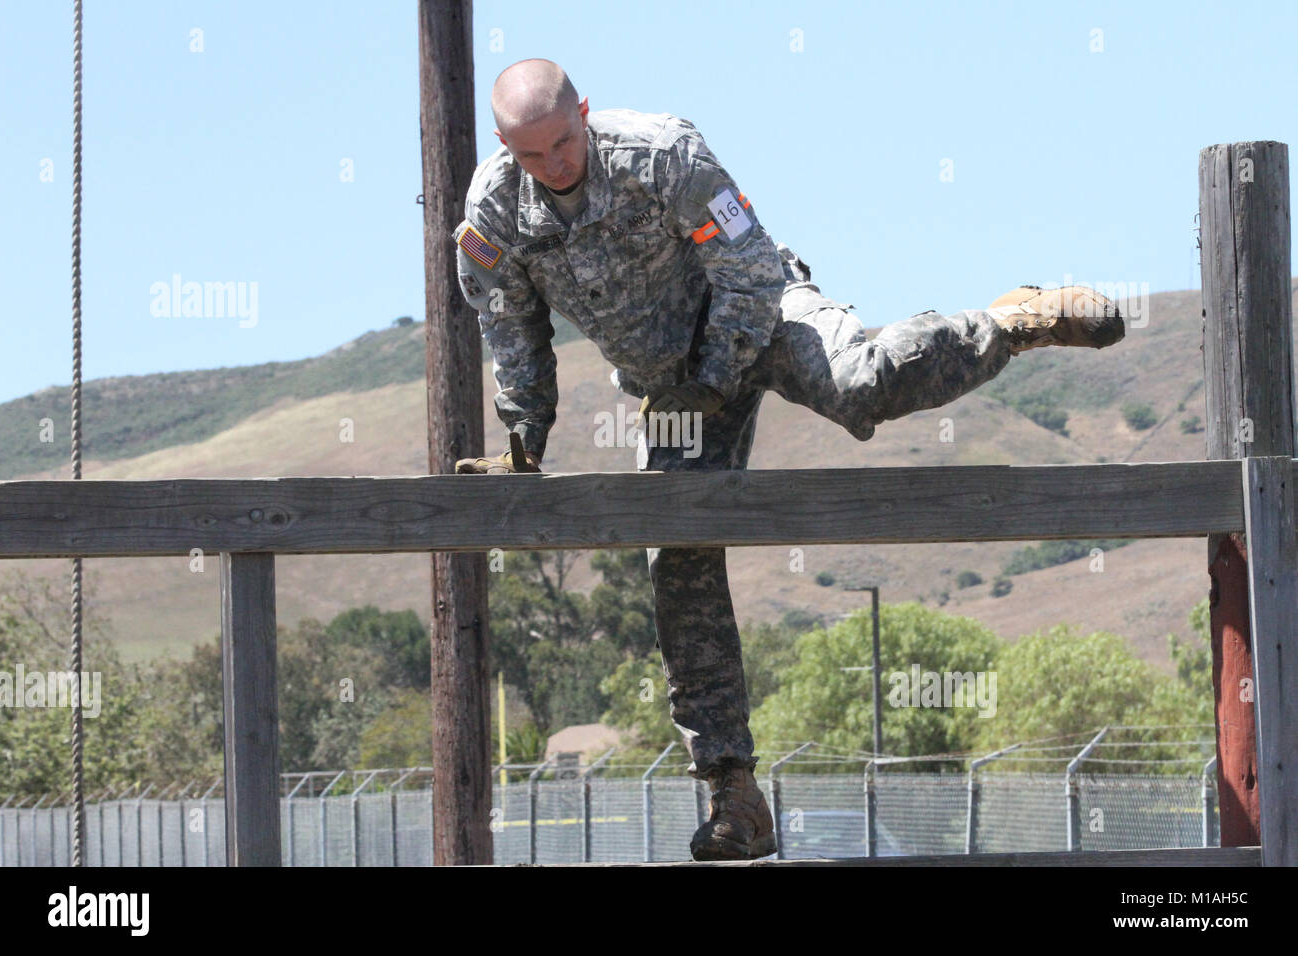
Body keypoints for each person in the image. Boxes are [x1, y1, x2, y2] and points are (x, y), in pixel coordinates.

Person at [452, 59, 1123, 861]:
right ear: (503, 146)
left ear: (584, 113)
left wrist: (716, 373)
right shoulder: (493, 211)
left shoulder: (663, 152)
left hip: (763, 315)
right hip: (671, 386)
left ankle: (1009, 323)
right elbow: (510, 322)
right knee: (679, 556)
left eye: (564, 142)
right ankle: (734, 795)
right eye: (532, 155)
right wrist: (525, 436)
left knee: (861, 385)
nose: (555, 164)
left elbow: (745, 266)